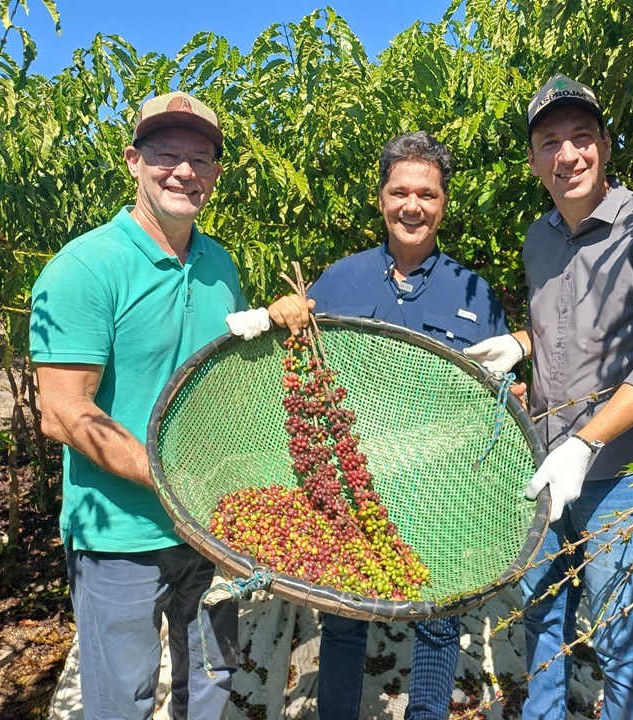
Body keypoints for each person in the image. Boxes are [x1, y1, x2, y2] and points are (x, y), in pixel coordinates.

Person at [237, 130, 512, 720]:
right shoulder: (342, 280)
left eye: (427, 194)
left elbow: (496, 398)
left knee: (440, 620)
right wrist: (280, 313)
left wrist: (508, 397)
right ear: (381, 198)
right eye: (400, 192)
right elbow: (298, 350)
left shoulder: (475, 292)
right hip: (356, 486)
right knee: (345, 616)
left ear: (444, 203)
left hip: (444, 487)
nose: (413, 206)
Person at [463, 73, 633, 719]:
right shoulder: (538, 238)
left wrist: (585, 443)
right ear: (533, 160)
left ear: (604, 146)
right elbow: (567, 326)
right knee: (541, 620)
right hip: (541, 467)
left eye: (581, 137)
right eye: (550, 142)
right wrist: (521, 341)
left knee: (623, 640)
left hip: (620, 475)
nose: (567, 155)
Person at [29, 91, 243, 719]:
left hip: (211, 526)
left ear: (215, 174)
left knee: (211, 681)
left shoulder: (219, 265)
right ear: (133, 160)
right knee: (123, 698)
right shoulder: (86, 267)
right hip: (120, 532)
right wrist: (172, 479)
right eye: (166, 154)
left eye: (200, 158)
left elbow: (228, 382)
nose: (184, 171)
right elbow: (63, 411)